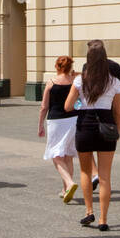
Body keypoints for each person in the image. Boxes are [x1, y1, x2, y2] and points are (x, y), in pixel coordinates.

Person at [64, 40, 120, 231]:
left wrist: (82, 104)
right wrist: (118, 129)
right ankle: (103, 219)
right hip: (107, 124)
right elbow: (118, 109)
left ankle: (89, 211)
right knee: (105, 176)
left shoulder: (81, 80)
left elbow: (67, 106)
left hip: (85, 124)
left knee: (85, 172)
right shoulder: (114, 81)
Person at [38, 55, 79, 203]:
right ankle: (66, 189)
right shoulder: (75, 82)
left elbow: (44, 107)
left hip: (56, 121)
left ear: (57, 67)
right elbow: (79, 101)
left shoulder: (51, 83)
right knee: (67, 154)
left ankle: (69, 183)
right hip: (73, 119)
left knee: (55, 155)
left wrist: (40, 125)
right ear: (70, 68)